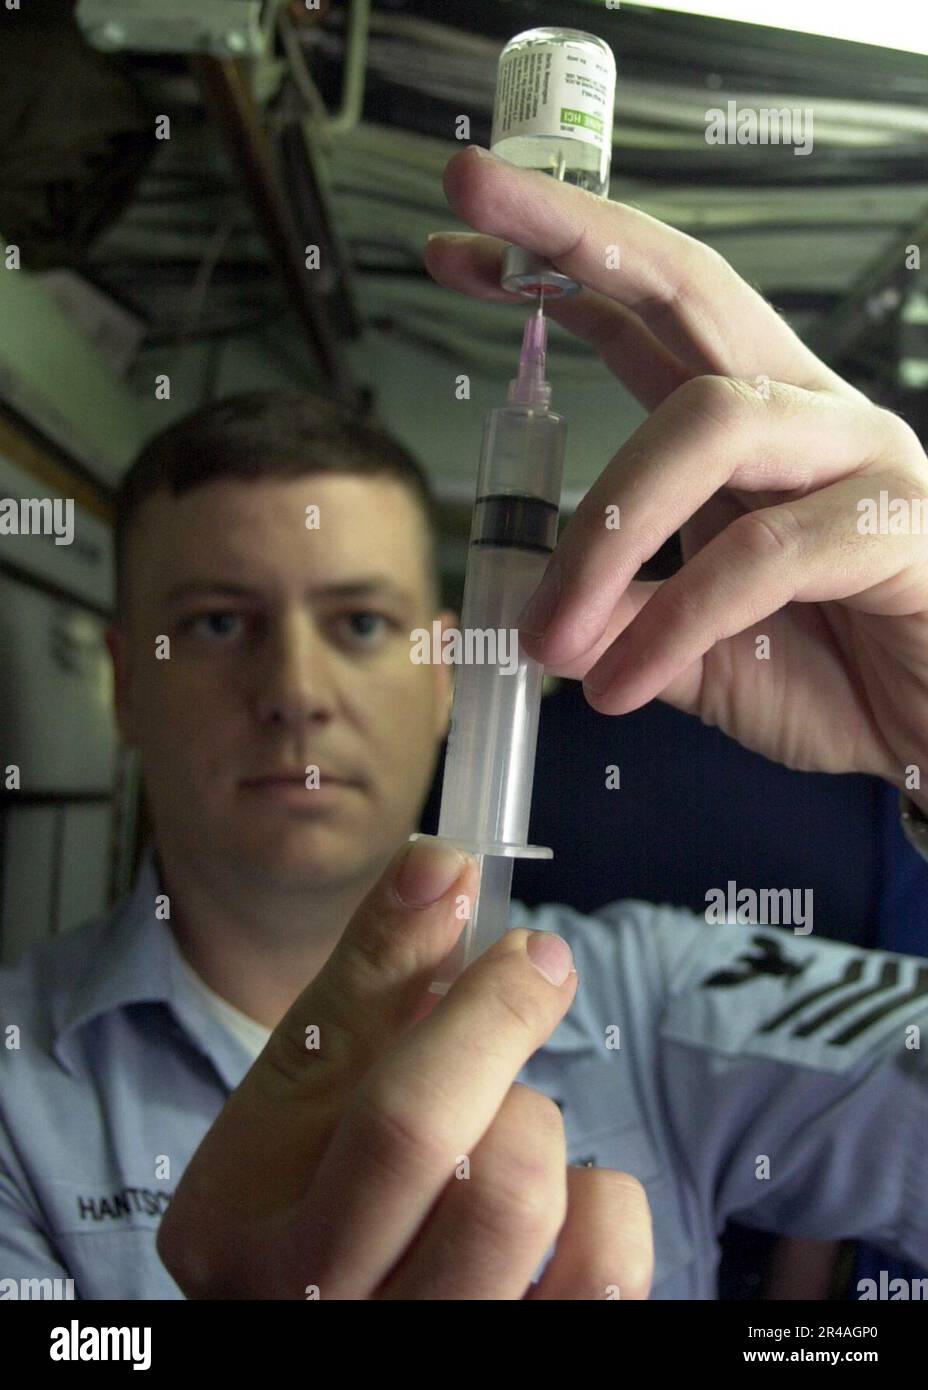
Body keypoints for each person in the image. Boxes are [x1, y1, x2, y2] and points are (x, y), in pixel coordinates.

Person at [2, 145, 927, 1300]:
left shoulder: (647, 999)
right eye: (217, 625)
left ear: (453, 669)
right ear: (122, 684)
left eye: (358, 622)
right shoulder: (16, 1101)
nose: (295, 691)